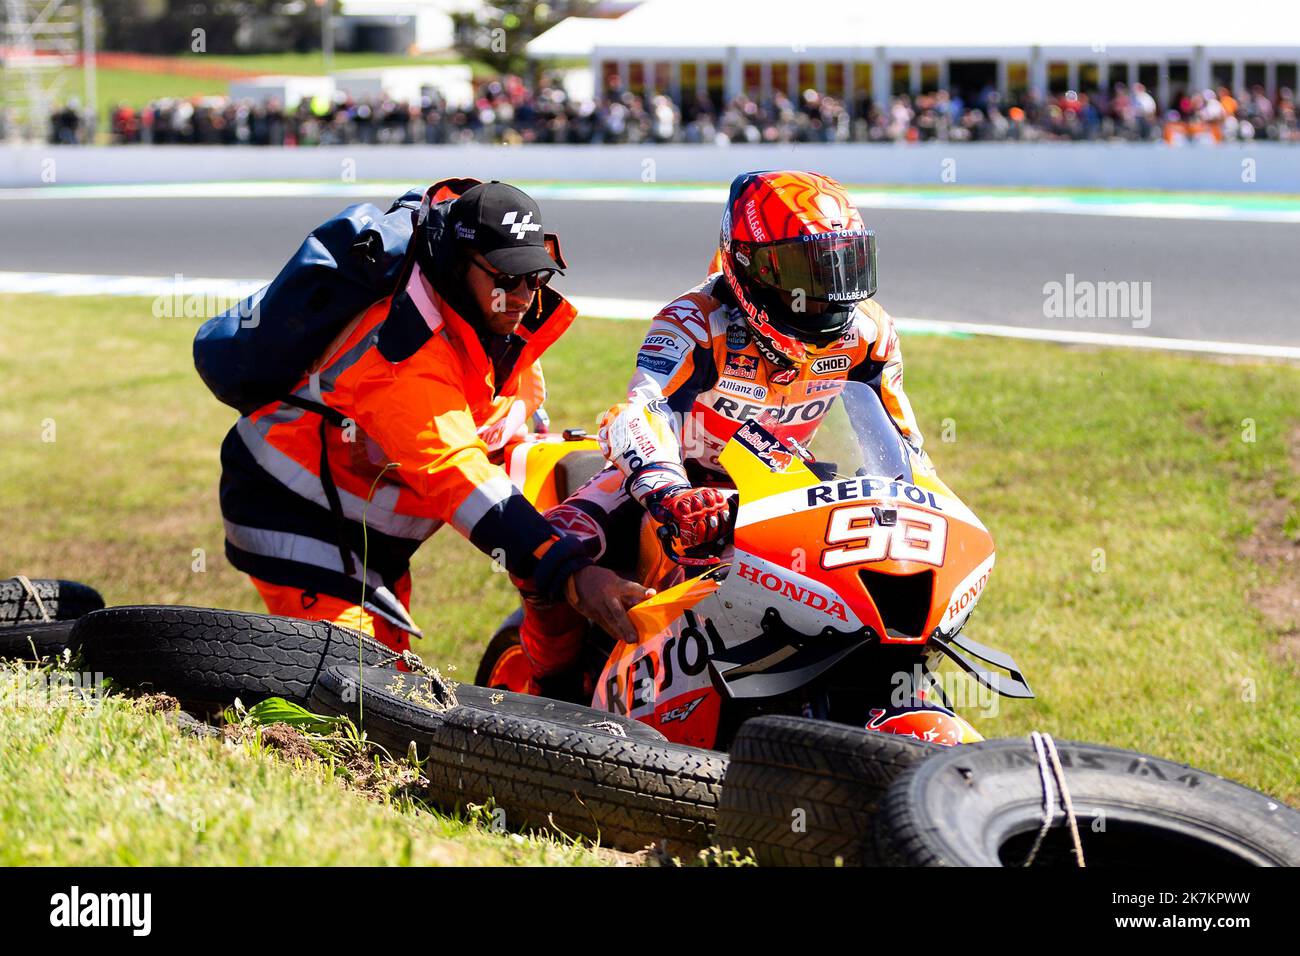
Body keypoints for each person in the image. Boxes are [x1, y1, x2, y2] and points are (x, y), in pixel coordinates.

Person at [515, 169, 933, 692]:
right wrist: (670, 493)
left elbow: (900, 438)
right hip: (675, 483)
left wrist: (918, 496)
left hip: (780, 485)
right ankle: (545, 693)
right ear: (748, 266)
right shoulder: (695, 320)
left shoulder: (870, 332)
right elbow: (639, 411)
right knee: (547, 549)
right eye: (809, 272)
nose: (828, 296)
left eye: (842, 265)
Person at [218, 178, 648, 653]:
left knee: (390, 682)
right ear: (457, 265)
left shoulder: (496, 325)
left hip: (369, 535)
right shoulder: (401, 355)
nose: (524, 296)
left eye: (535, 276)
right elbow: (454, 471)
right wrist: (569, 571)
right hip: (293, 514)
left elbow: (511, 422)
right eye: (506, 278)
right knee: (352, 693)